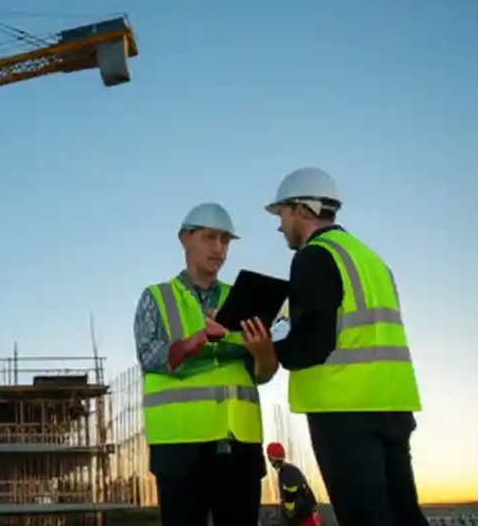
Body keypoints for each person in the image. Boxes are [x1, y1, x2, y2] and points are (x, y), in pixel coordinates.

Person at [257, 167, 428, 526]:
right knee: (404, 515)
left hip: (344, 411)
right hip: (393, 404)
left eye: (283, 214)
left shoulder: (314, 256)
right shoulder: (368, 258)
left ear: (302, 210)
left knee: (365, 518)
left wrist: (267, 349)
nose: (280, 226)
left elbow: (313, 345)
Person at [133, 202, 279, 526]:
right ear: (184, 238)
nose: (219, 248)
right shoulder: (157, 297)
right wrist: (198, 338)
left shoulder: (242, 297)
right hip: (179, 447)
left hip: (239, 446)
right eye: (210, 237)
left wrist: (265, 352)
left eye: (225, 240)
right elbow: (150, 357)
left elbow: (264, 374)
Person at [267, 441, 319, 526]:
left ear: (270, 458)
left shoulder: (286, 473)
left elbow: (291, 504)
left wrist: (287, 518)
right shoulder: (291, 470)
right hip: (306, 515)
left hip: (302, 519)